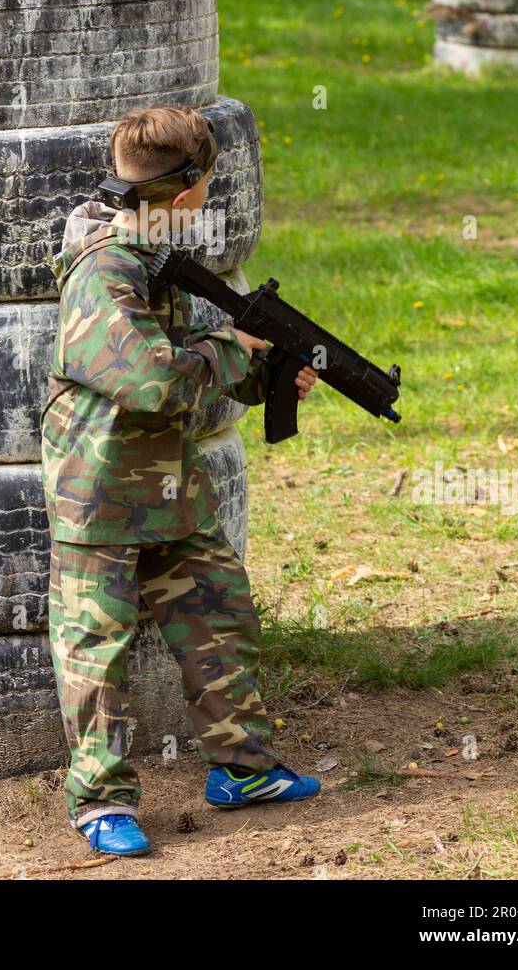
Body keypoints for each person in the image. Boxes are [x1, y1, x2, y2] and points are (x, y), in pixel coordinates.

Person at [40, 105, 321, 857]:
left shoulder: (145, 242)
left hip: (167, 483)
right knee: (97, 648)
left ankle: (243, 768)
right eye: (210, 182)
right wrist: (230, 354)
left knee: (220, 615)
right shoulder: (104, 262)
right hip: (98, 489)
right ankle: (100, 802)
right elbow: (148, 379)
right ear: (191, 187)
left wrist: (264, 370)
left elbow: (177, 352)